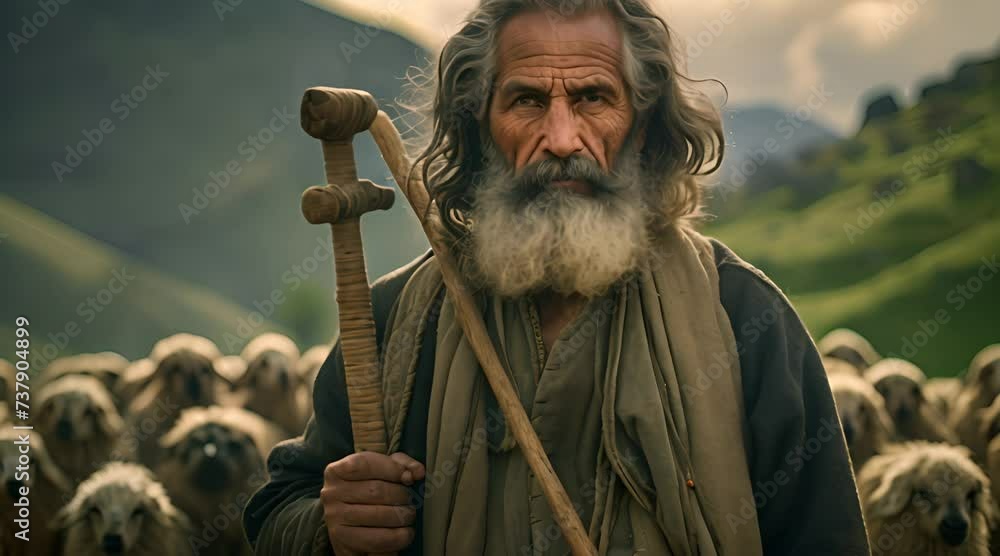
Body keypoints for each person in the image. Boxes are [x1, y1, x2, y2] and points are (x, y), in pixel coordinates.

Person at [243, 1, 871, 554]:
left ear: (645, 124)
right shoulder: (396, 321)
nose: (562, 138)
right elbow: (277, 512)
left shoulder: (744, 318)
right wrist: (331, 524)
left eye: (594, 97)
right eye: (527, 101)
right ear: (478, 125)